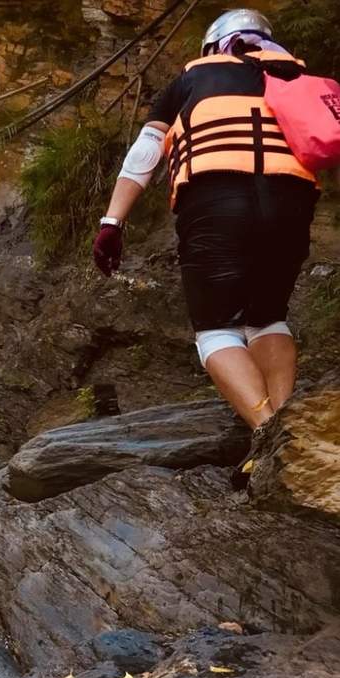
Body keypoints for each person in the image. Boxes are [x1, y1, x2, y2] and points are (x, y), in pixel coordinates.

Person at [93, 9, 320, 479]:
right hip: (290, 205)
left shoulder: (189, 82)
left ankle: (267, 432)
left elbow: (146, 154)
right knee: (267, 318)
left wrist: (112, 220)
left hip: (217, 202)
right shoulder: (294, 76)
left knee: (216, 329)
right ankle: (288, 427)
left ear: (214, 45)